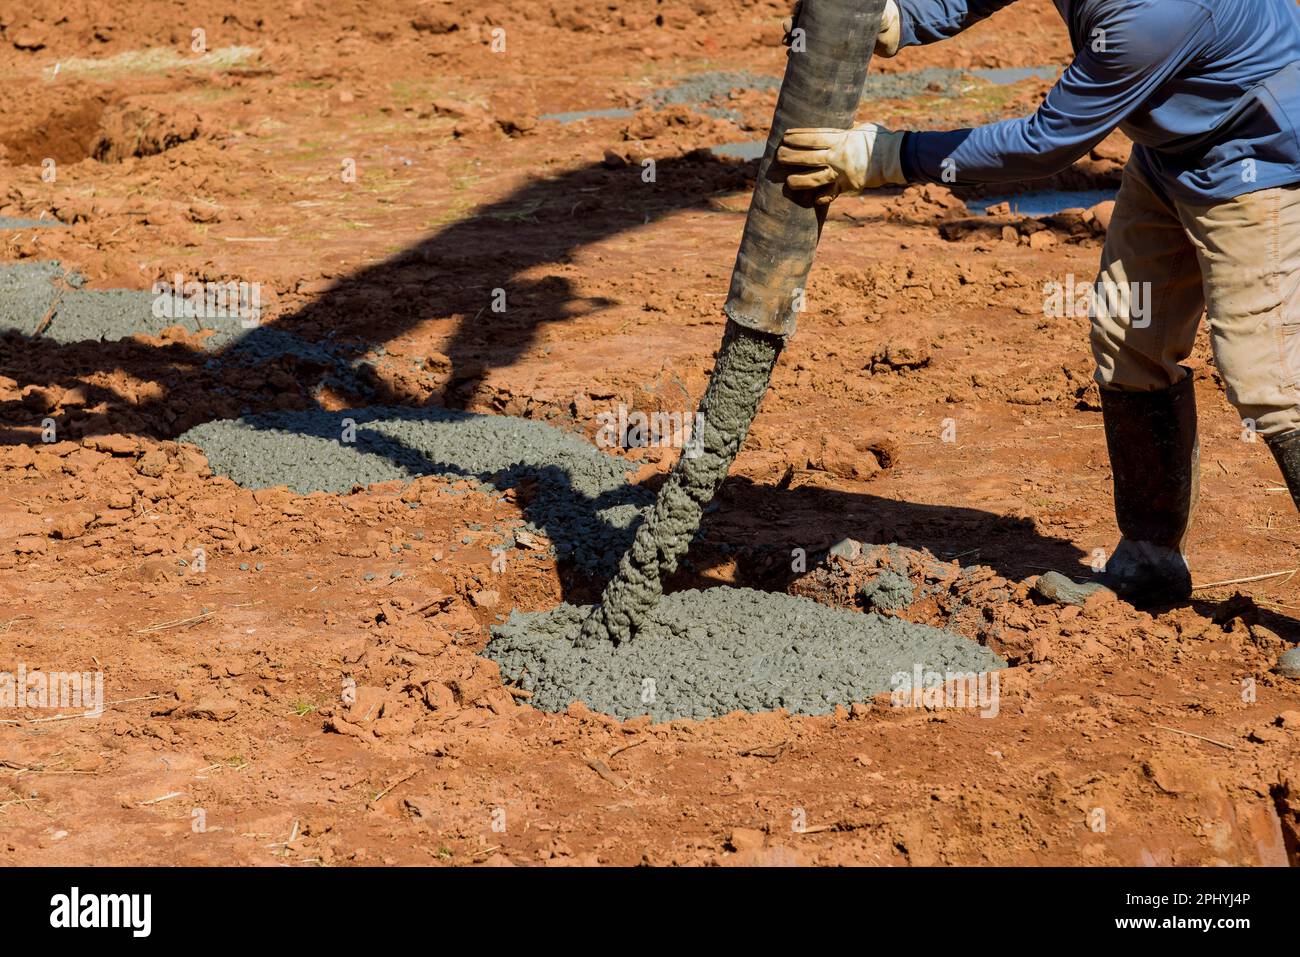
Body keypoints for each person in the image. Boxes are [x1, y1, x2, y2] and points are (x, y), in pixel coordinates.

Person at [780, 0, 1300, 603]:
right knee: (1128, 339)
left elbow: (1045, 143)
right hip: (1170, 150)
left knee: (1271, 378)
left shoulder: (1152, 16)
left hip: (1257, 161)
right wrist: (907, 16)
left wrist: (888, 158)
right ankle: (1149, 559)